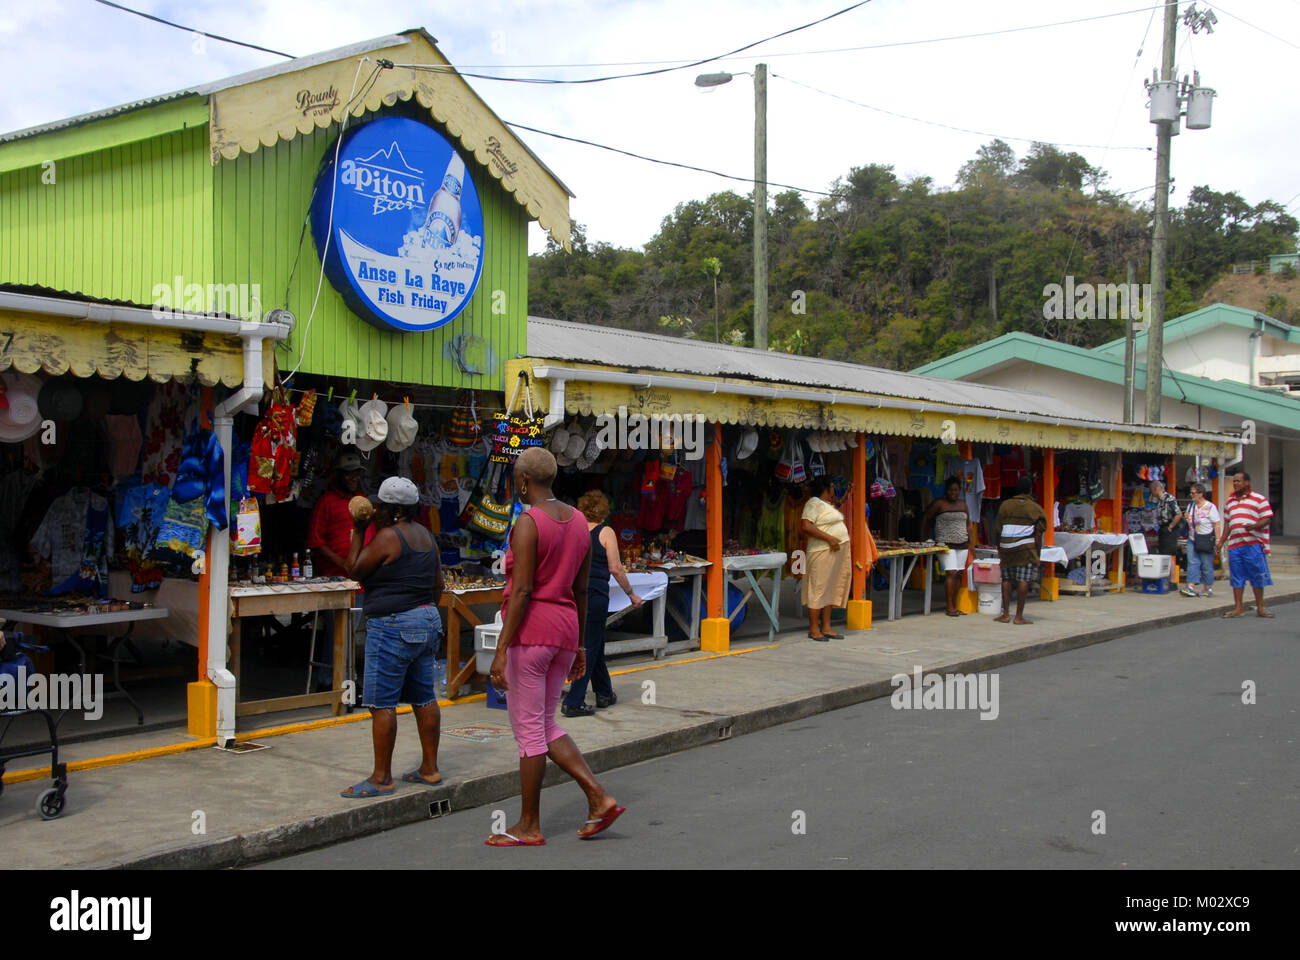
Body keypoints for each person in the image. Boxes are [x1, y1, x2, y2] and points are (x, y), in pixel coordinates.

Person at [486, 448, 623, 846]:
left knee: (529, 731)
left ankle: (529, 825)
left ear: (525, 480)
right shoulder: (579, 521)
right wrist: (579, 644)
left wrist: (501, 648)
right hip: (564, 629)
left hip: (532, 631)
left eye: (516, 476)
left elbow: (523, 590)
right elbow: (580, 588)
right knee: (545, 724)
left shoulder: (529, 523)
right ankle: (598, 798)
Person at [340, 477, 443, 798]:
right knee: (424, 697)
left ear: (394, 510)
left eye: (380, 507)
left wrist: (358, 529)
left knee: (381, 702)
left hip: (392, 625)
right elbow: (438, 584)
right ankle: (429, 768)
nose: (376, 511)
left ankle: (381, 778)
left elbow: (354, 569)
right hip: (426, 618)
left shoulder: (388, 536)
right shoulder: (426, 536)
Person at [561, 489, 641, 718]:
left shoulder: (572, 531)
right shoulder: (606, 532)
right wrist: (631, 593)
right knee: (590, 645)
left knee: (595, 643)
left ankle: (604, 692)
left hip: (574, 593)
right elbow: (615, 567)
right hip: (595, 595)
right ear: (604, 512)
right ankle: (574, 700)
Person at [307, 451, 365, 689]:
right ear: (339, 476)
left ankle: (348, 679)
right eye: (348, 474)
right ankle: (330, 679)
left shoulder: (362, 500)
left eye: (356, 474)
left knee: (351, 630)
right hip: (334, 578)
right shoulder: (327, 502)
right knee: (337, 630)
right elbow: (315, 540)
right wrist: (341, 563)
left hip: (359, 579)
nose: (353, 478)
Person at [799, 476, 852, 641]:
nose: (834, 489)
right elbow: (806, 525)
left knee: (830, 587)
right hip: (822, 550)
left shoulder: (826, 504)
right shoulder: (813, 503)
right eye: (833, 486)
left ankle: (827, 626)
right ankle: (814, 628)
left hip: (835, 551)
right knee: (818, 588)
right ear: (827, 488)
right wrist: (829, 538)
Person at [1219, 471, 1274, 618]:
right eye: (1234, 481)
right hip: (1235, 545)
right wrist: (1220, 542)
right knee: (1236, 577)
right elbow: (1227, 524)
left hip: (1253, 544)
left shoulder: (1259, 499)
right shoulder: (1230, 502)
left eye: (1239, 481)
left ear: (1247, 483)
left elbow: (1267, 518)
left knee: (1257, 576)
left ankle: (1260, 608)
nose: (1236, 483)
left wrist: (1255, 526)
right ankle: (1238, 608)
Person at [993, 476, 1046, 625]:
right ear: (1030, 490)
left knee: (1006, 579)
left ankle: (1005, 614)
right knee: (1023, 580)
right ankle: (1018, 616)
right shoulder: (1035, 508)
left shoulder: (1005, 505)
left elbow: (997, 529)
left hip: (1007, 546)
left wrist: (999, 548)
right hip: (1025, 549)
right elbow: (1038, 534)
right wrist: (1038, 554)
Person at [922, 477, 971, 617]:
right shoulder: (939, 504)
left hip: (962, 544)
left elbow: (968, 525)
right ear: (946, 491)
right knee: (951, 572)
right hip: (945, 545)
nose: (953, 493)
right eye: (950, 490)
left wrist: (971, 543)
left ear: (959, 491)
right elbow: (926, 518)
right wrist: (924, 538)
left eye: (955, 490)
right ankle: (949, 606)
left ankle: (955, 605)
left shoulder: (963, 504)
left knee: (959, 574)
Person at [1181, 483, 1222, 598]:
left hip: (1206, 539)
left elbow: (1216, 524)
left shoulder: (1210, 507)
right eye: (1191, 493)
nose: (1191, 495)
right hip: (1193, 538)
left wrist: (1218, 539)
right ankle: (1191, 586)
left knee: (1206, 564)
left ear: (1201, 494)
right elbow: (1188, 520)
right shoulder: (1191, 506)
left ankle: (1207, 588)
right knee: (1192, 562)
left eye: (1193, 493)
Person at [1150, 479, 1182, 558]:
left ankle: (1171, 570)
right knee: (1164, 553)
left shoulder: (1169, 499)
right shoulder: (1159, 500)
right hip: (1162, 528)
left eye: (1152, 491)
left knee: (1167, 553)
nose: (1151, 493)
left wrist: (1171, 526)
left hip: (1169, 528)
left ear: (1156, 489)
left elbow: (1178, 514)